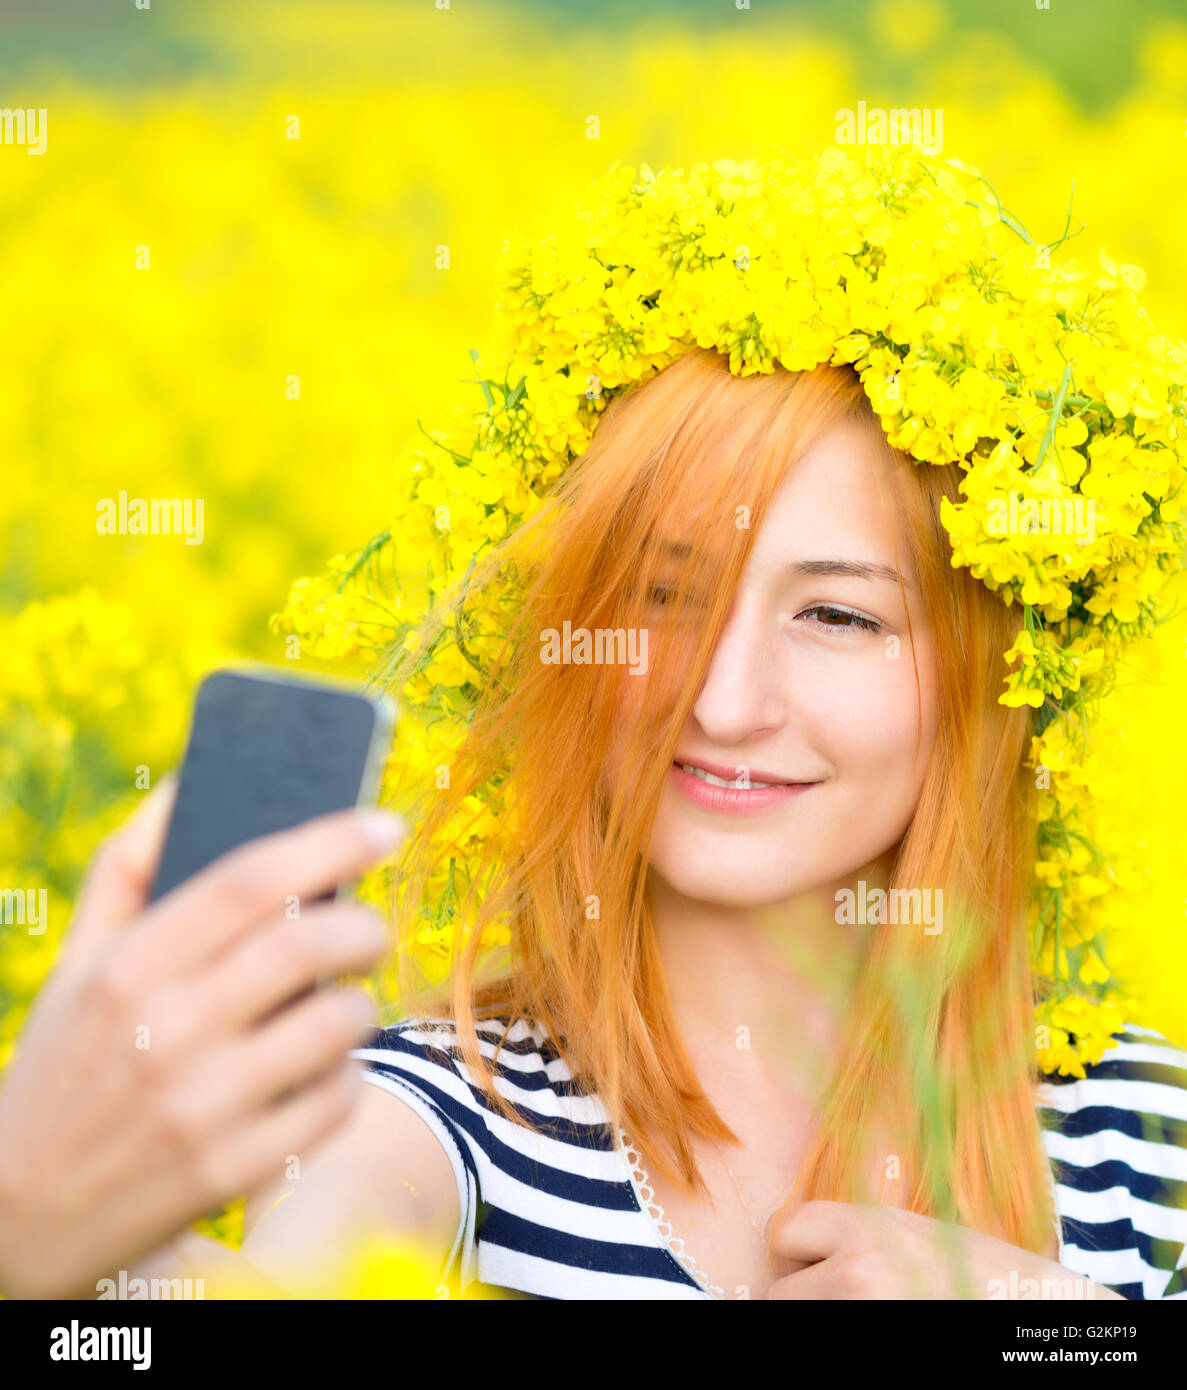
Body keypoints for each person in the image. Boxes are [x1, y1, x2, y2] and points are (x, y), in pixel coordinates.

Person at [2, 349, 1184, 1301]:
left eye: (834, 613)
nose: (722, 702)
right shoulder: (436, 1112)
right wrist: (38, 1226)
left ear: (1001, 680)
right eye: (662, 597)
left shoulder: (1147, 1128)